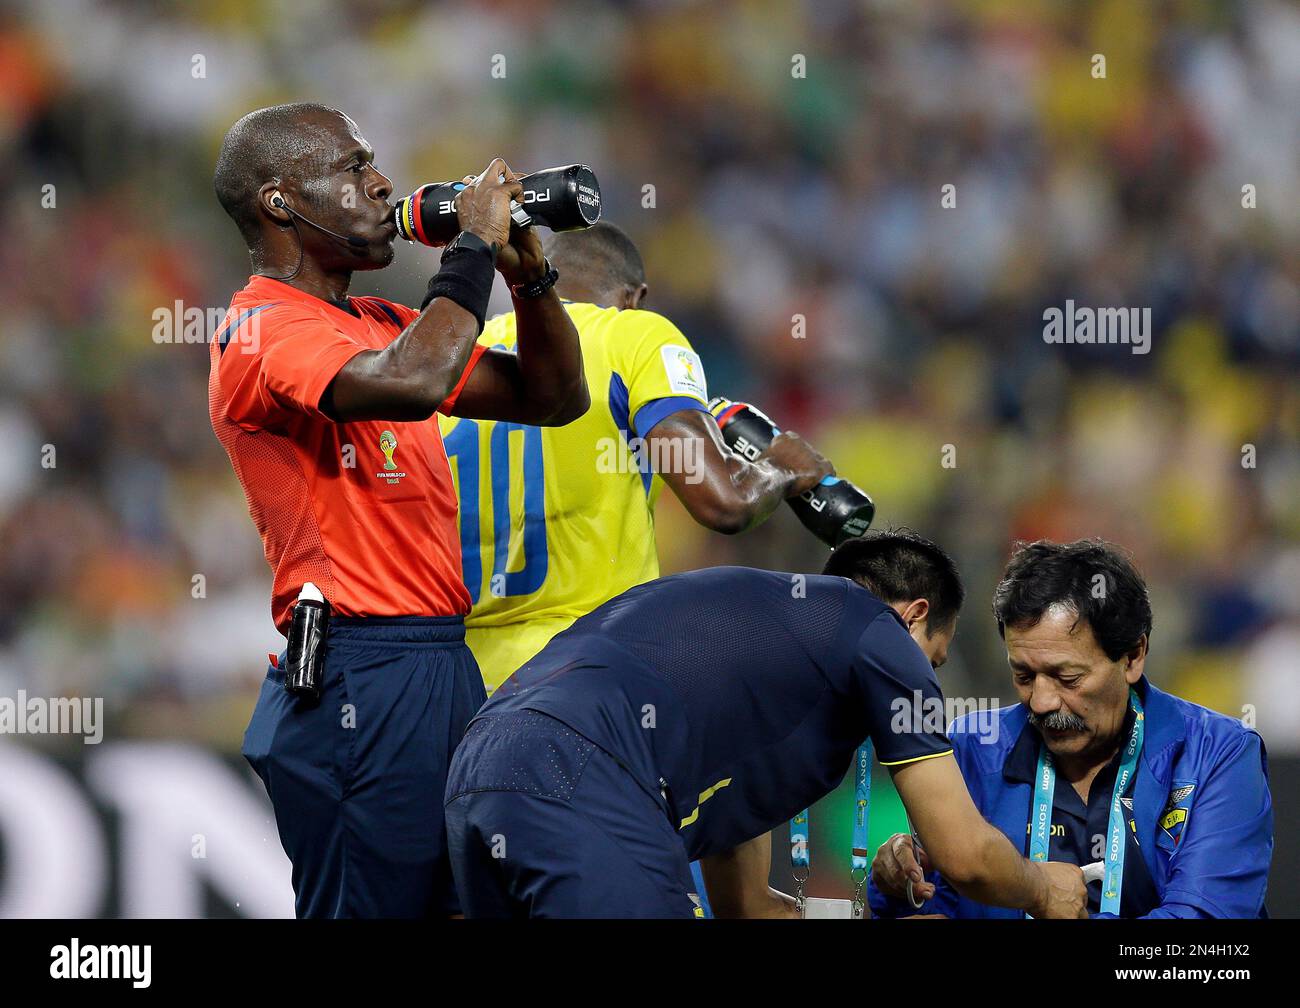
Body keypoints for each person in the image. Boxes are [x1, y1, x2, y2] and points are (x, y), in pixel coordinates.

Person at [208, 103, 588, 918]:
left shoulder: (378, 322)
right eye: (353, 168)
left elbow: (554, 397)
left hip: (440, 660)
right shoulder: (261, 329)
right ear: (281, 202)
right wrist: (473, 245)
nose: (383, 185)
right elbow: (412, 384)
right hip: (358, 669)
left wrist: (529, 276)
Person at [443, 530, 1088, 919]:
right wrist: (1042, 889)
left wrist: (866, 911)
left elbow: (748, 908)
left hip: (479, 770)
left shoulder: (761, 664)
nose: (926, 682)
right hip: (585, 772)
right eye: (934, 661)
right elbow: (965, 856)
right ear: (913, 616)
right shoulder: (875, 628)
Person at [441, 220, 831, 695]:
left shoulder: (461, 356)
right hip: (584, 675)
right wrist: (783, 467)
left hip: (455, 679)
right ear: (634, 297)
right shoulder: (634, 335)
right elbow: (722, 502)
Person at [868, 539, 1273, 918]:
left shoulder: (1218, 754)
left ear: (1133, 657)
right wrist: (897, 888)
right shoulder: (971, 748)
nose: (1042, 702)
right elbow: (939, 905)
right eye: (1024, 675)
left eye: (1068, 678)